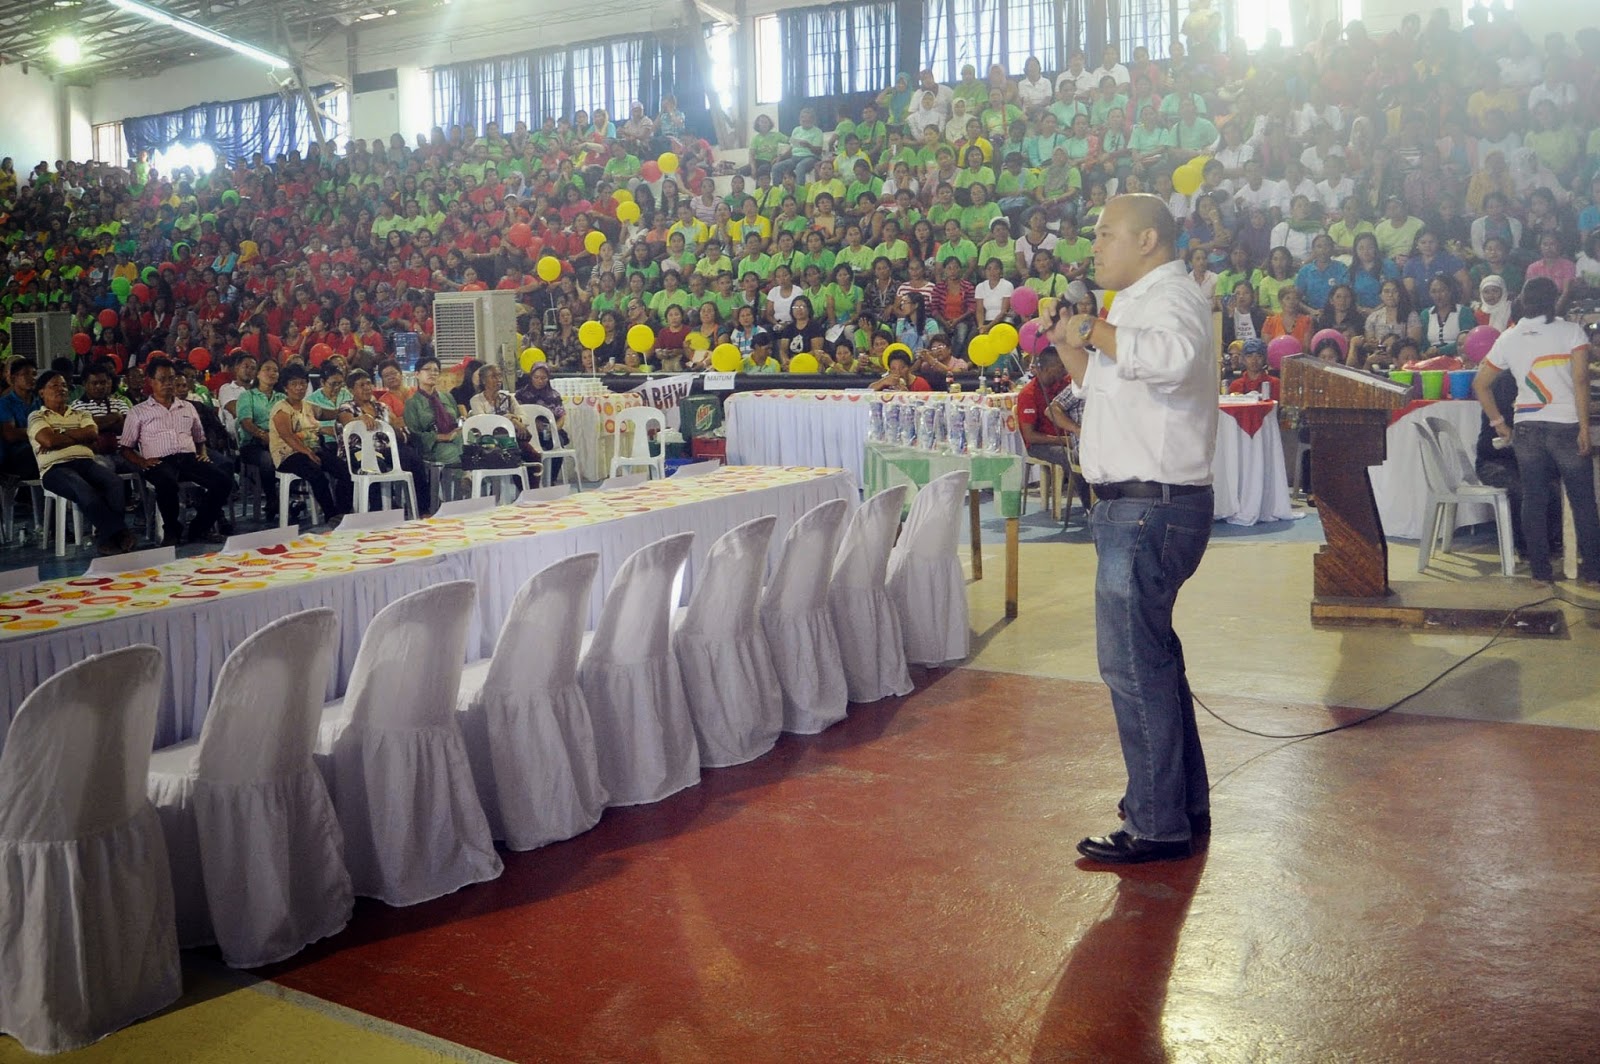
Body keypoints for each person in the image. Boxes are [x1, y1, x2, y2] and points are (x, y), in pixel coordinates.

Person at [1047, 193, 1216, 864]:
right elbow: (1115, 389)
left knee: (1132, 668)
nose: (1095, 246)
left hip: (1149, 507)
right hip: (1142, 506)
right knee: (1153, 664)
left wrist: (1094, 331)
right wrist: (1073, 347)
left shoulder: (1169, 299)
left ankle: (1155, 823)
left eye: (1106, 234)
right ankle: (1182, 803)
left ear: (1148, 240)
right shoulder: (1137, 305)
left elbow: (1171, 360)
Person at [1473, 277, 1600, 584]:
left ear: (1523, 303)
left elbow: (1480, 384)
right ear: (1554, 299)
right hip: (1566, 423)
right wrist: (1585, 427)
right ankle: (1595, 571)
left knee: (1534, 498)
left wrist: (1499, 423)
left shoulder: (1508, 337)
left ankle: (1541, 571)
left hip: (1527, 425)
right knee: (1582, 499)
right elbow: (1581, 380)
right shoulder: (1571, 331)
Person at [118, 356, 234, 545]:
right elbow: (125, 448)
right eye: (162, 379)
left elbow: (199, 438)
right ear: (151, 381)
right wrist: (142, 462)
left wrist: (202, 452)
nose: (168, 384)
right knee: (167, 483)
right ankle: (172, 530)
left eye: (171, 379)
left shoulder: (187, 407)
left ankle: (200, 528)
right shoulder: (139, 412)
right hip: (159, 461)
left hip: (188, 458)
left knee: (223, 481)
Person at [28, 370, 135, 555]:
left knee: (115, 482)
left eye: (63, 385)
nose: (61, 389)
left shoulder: (81, 413)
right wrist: (76, 437)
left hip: (86, 462)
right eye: (54, 386)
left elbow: (91, 434)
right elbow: (48, 441)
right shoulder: (37, 416)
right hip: (55, 468)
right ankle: (120, 533)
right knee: (84, 488)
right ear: (41, 392)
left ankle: (106, 538)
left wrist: (59, 434)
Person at [270, 364, 345, 529]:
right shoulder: (281, 409)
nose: (299, 387)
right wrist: (306, 452)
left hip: (313, 448)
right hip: (288, 454)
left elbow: (329, 414)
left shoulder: (308, 406)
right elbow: (287, 435)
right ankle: (331, 514)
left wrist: (347, 413)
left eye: (303, 383)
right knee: (316, 472)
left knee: (343, 469)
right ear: (285, 387)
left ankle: (343, 511)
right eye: (294, 384)